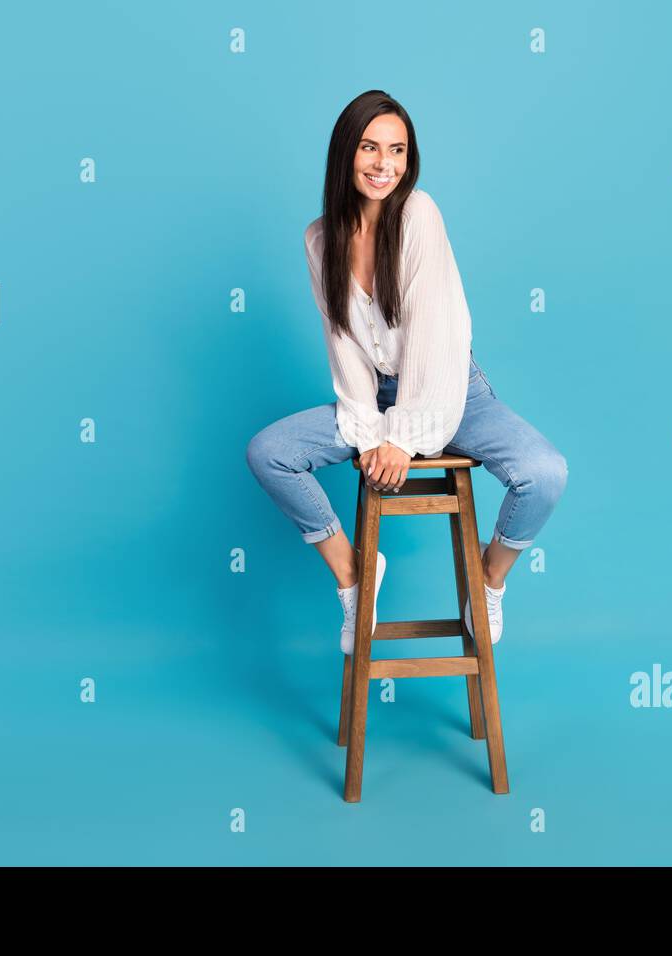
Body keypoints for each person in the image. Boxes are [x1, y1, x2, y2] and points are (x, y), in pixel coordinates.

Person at [246, 90, 567, 655]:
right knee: (268, 452)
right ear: (346, 153)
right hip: (373, 396)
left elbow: (437, 338)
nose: (383, 164)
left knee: (543, 473)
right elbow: (342, 342)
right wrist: (371, 430)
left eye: (396, 149)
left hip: (452, 388)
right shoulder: (319, 238)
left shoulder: (420, 213)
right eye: (369, 147)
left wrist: (401, 438)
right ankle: (354, 579)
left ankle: (487, 580)